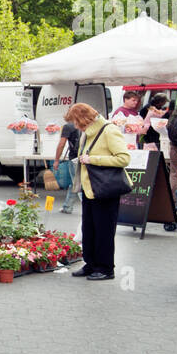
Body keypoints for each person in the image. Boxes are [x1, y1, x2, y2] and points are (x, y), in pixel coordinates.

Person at [66, 103, 130, 281]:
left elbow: (123, 158)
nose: (77, 127)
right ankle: (91, 263)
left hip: (105, 188)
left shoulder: (109, 131)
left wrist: (93, 159)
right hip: (90, 188)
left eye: (78, 123)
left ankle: (106, 268)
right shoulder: (87, 133)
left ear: (85, 119)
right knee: (90, 228)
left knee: (104, 230)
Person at [53, 118, 82, 214]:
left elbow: (61, 144)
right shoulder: (87, 124)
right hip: (87, 157)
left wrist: (56, 160)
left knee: (77, 184)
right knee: (75, 183)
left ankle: (88, 208)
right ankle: (67, 207)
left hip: (75, 158)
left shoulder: (68, 126)